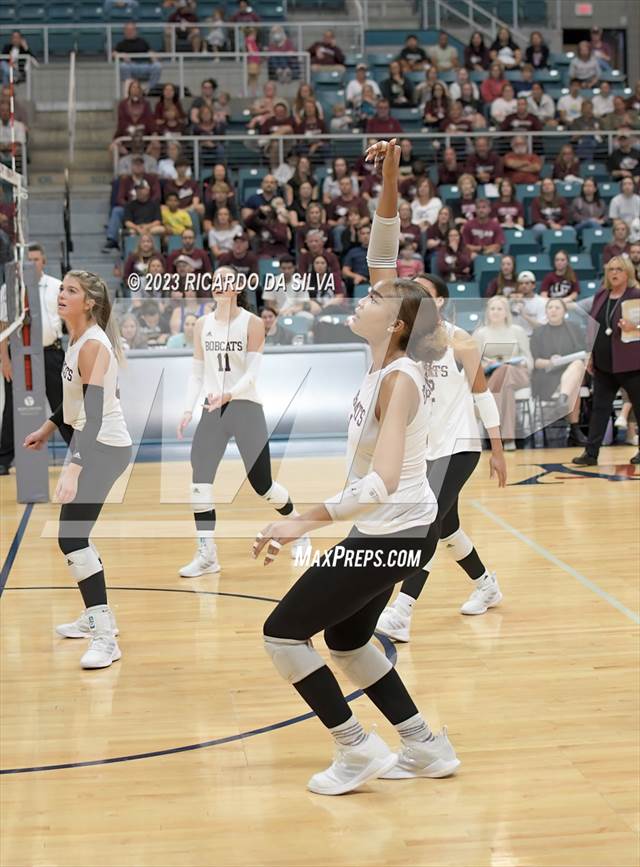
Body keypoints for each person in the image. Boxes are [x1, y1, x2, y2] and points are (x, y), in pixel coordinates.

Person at [256, 138, 460, 796]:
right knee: (345, 641)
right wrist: (393, 174)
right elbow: (383, 248)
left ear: (396, 325)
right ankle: (427, 746)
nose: (361, 298)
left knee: (284, 634)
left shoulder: (400, 378)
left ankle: (356, 748)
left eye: (374, 299)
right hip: (396, 531)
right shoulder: (385, 356)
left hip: (391, 531)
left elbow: (378, 484)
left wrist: (302, 522)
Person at [377, 272, 506, 641]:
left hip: (459, 446)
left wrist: (497, 449)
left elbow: (483, 396)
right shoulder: (407, 342)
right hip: (425, 450)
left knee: (426, 524)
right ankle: (486, 585)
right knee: (448, 529)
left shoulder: (461, 340)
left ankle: (402, 612)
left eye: (424, 293)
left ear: (441, 302)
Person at [24, 272, 132, 668]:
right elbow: (74, 401)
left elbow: (97, 414)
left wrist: (72, 469)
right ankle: (96, 618)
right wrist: (47, 428)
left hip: (104, 446)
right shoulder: (77, 340)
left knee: (71, 538)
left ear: (89, 302)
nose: (61, 295)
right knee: (76, 536)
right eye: (62, 289)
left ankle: (106, 637)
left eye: (71, 290)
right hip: (95, 442)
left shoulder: (92, 345)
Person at [176, 266, 309, 575]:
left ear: (237, 288)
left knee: (262, 485)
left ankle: (298, 526)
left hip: (245, 407)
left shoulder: (252, 323)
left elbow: (252, 375)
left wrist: (229, 394)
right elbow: (197, 372)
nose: (218, 285)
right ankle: (207, 555)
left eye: (225, 281)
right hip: (213, 410)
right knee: (200, 483)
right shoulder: (203, 325)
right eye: (214, 280)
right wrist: (186, 410)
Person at [0, 245, 65, 475]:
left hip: (52, 354)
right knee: (12, 407)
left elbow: (72, 320)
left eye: (36, 259)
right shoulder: (11, 288)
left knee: (63, 404)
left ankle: (80, 452)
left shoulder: (58, 286)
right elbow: (3, 325)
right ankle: (4, 458)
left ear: (43, 262)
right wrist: (4, 360)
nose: (32, 263)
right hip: (20, 357)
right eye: (28, 260)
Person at [572, 257, 640, 466]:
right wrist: (589, 354)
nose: (614, 273)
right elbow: (593, 326)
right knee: (599, 409)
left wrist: (635, 328)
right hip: (603, 363)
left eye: (619, 269)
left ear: (627, 272)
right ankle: (591, 454)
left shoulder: (636, 295)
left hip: (632, 363)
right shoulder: (602, 295)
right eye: (611, 269)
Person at [473, 296, 532, 449]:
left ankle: (486, 416)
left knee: (506, 369)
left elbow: (529, 359)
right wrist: (486, 364)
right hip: (490, 374)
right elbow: (473, 362)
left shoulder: (517, 331)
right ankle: (508, 439)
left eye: (499, 309)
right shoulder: (480, 333)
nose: (496, 312)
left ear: (506, 312)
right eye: (492, 309)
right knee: (505, 384)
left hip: (518, 372)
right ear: (487, 312)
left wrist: (521, 361)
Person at [530, 298, 588, 446]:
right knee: (575, 384)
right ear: (546, 312)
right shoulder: (538, 332)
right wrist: (550, 362)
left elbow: (583, 353)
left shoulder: (575, 329)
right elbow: (536, 362)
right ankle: (574, 430)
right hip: (547, 375)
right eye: (550, 307)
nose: (554, 310)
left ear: (564, 312)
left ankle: (563, 398)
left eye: (557, 307)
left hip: (570, 372)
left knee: (577, 364)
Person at [113, 22, 162, 93]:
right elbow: (114, 54)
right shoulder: (121, 44)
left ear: (136, 31)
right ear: (124, 31)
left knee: (158, 65)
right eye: (127, 30)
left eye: (132, 30)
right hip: (131, 66)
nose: (130, 32)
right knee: (123, 66)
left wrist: (153, 56)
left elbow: (151, 52)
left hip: (145, 65)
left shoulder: (143, 41)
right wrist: (120, 54)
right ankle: (129, 90)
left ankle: (148, 89)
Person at [508, 270, 548, 335]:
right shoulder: (512, 301)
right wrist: (510, 302)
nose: (524, 286)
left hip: (534, 338)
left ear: (533, 285)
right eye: (521, 283)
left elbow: (542, 327)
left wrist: (525, 315)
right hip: (516, 338)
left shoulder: (542, 302)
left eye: (527, 283)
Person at [609, 177, 640, 242]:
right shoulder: (615, 200)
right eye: (625, 184)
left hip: (636, 229)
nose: (627, 186)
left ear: (634, 186)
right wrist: (627, 226)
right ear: (621, 187)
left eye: (630, 184)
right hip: (621, 229)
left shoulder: (638, 200)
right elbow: (615, 221)